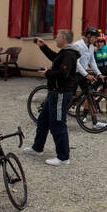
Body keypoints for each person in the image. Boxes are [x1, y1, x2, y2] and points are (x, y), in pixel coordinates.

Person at [26, 29, 78, 165]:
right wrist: (43, 46)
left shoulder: (69, 54)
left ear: (64, 38)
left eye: (58, 37)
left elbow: (63, 74)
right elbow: (54, 57)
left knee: (58, 124)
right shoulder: (64, 53)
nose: (55, 39)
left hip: (61, 93)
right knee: (43, 121)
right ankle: (37, 148)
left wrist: (47, 73)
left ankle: (63, 157)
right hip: (53, 92)